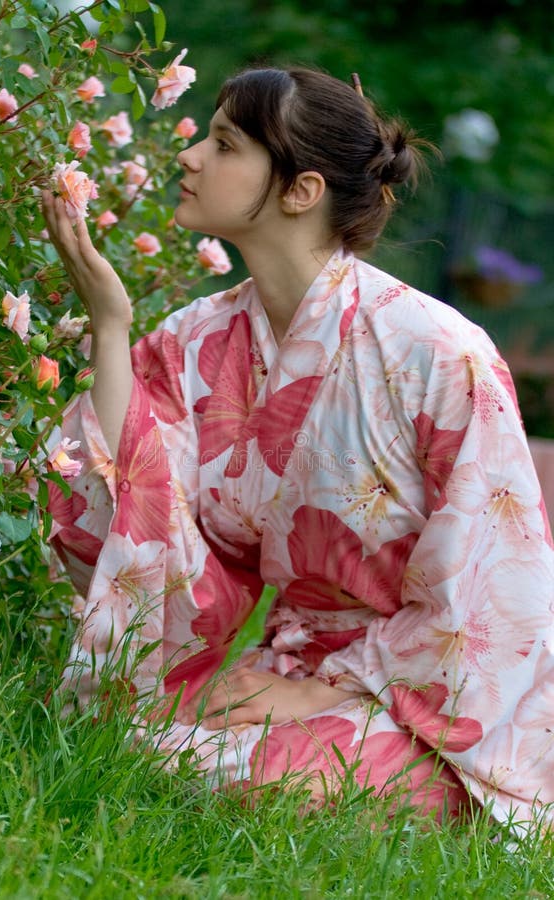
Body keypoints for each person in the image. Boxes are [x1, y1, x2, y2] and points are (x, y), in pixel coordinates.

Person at [42, 66, 554, 826]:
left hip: (427, 695)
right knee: (119, 744)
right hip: (290, 661)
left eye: (223, 145)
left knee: (259, 788)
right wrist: (111, 330)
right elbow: (134, 497)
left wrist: (320, 692)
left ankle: (438, 787)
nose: (189, 157)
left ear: (300, 190)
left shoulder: (437, 351)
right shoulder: (199, 338)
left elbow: (498, 587)